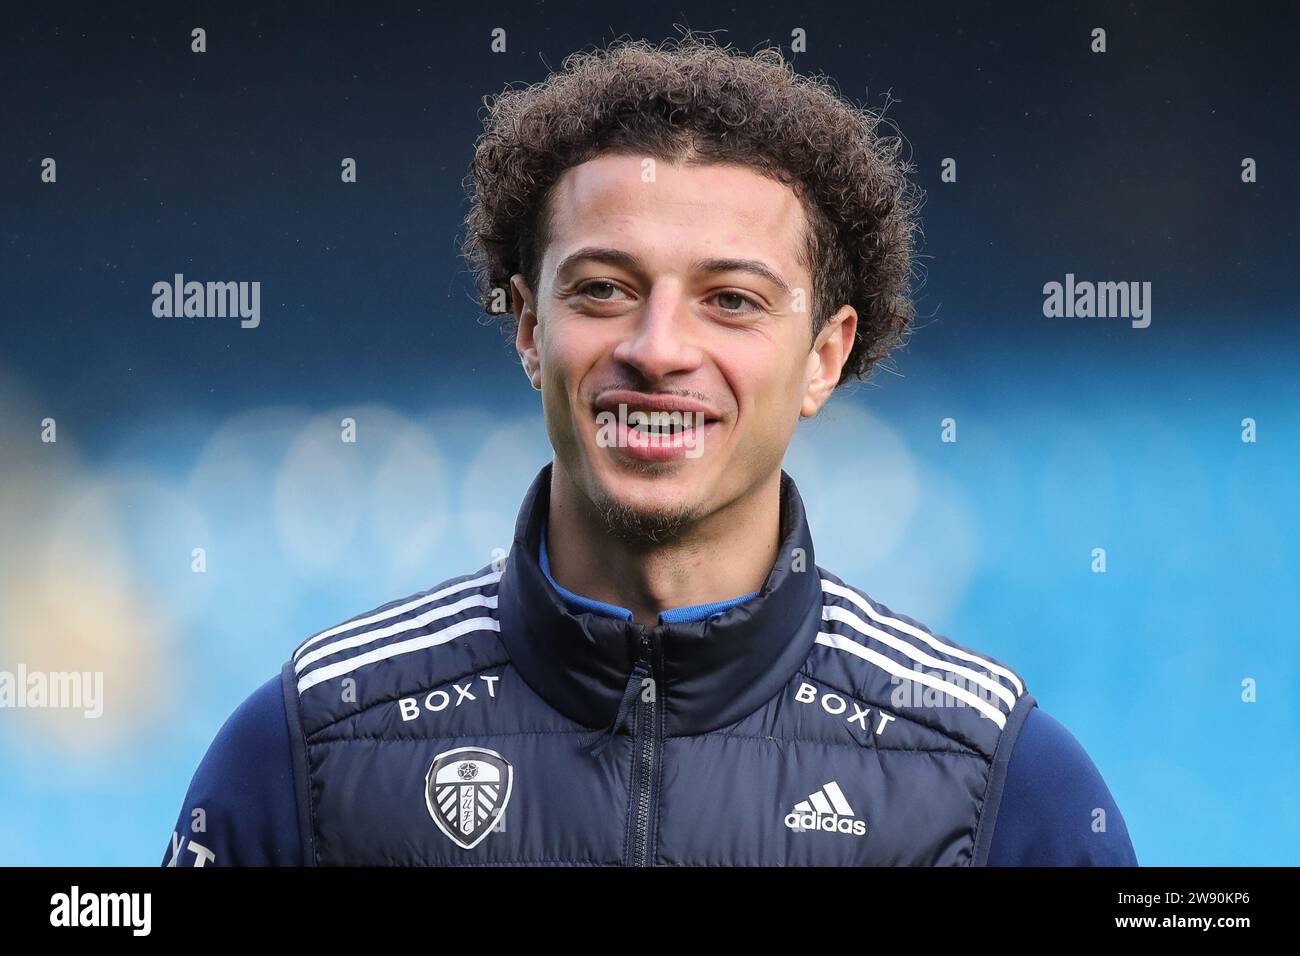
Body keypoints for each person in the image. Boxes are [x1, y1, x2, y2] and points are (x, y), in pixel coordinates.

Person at [163, 34, 1136, 867]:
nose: (658, 348)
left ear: (824, 356)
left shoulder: (995, 779)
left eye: (732, 300)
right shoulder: (311, 745)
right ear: (529, 328)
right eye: (603, 289)